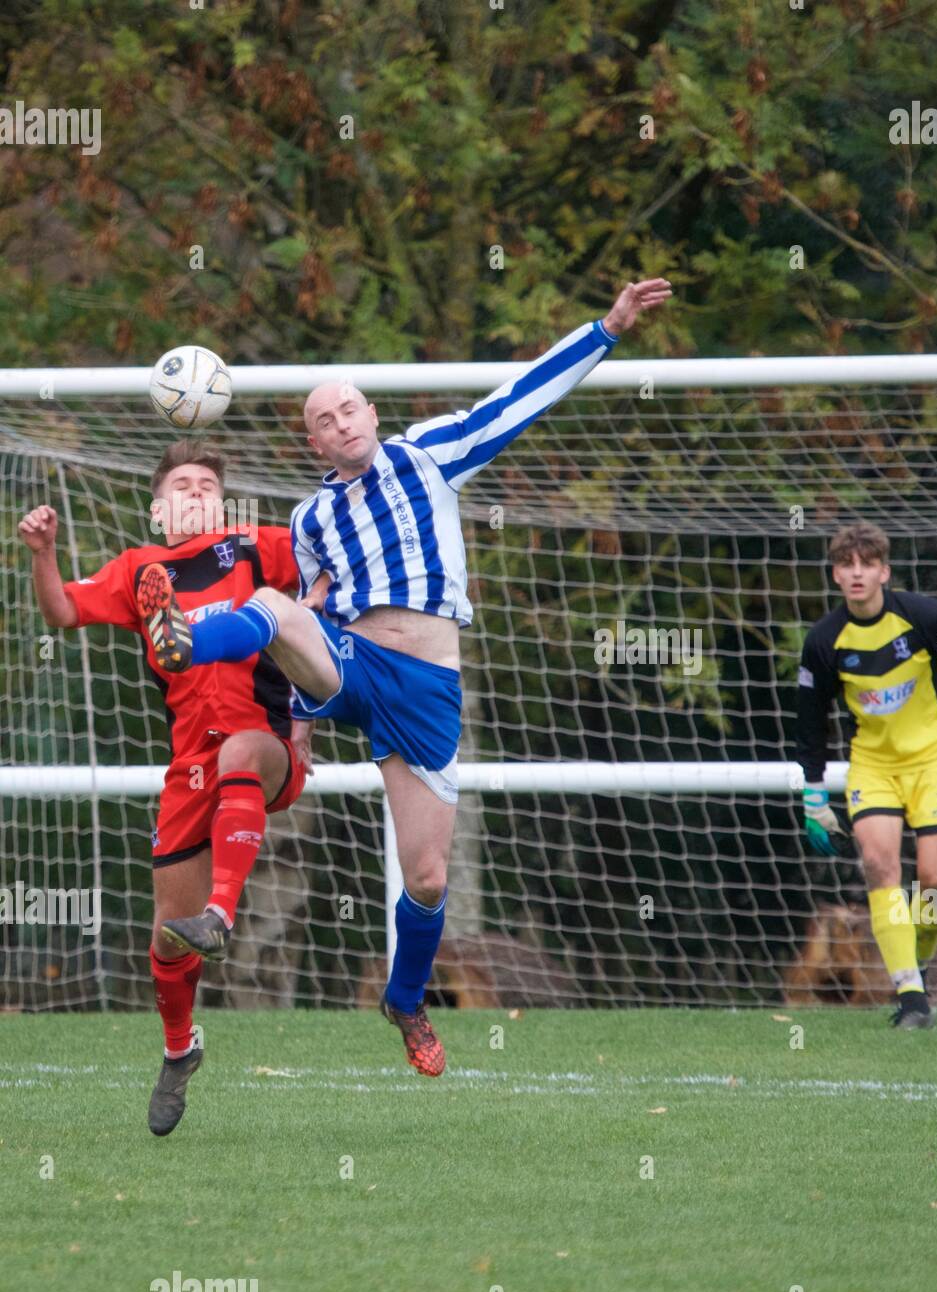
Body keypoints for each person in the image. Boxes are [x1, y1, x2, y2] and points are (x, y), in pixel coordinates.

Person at [135, 279, 673, 1075]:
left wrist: (605, 329)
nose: (341, 423)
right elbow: (307, 614)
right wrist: (301, 729)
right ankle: (184, 635)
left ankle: (407, 999)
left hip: (426, 688)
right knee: (277, 608)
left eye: (349, 408)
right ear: (314, 445)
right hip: (353, 666)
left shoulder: (432, 454)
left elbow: (521, 397)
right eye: (324, 420)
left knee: (425, 877)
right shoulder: (309, 520)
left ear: (372, 416)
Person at [19, 441, 312, 1132]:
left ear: (222, 499)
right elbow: (61, 611)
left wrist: (313, 699)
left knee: (242, 750)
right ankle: (179, 1051)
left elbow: (328, 559)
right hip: (189, 770)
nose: (195, 492)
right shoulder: (137, 570)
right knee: (167, 942)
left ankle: (223, 912)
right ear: (158, 507)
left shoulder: (255, 549)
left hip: (265, 748)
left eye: (208, 484)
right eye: (181, 484)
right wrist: (43, 551)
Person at [797, 521, 937, 1027]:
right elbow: (810, 723)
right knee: (880, 867)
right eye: (846, 565)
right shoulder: (823, 641)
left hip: (932, 758)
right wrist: (813, 795)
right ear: (836, 574)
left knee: (935, 880)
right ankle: (910, 995)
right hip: (874, 766)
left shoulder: (924, 617)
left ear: (884, 570)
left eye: (866, 565)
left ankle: (917, 960)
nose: (856, 574)